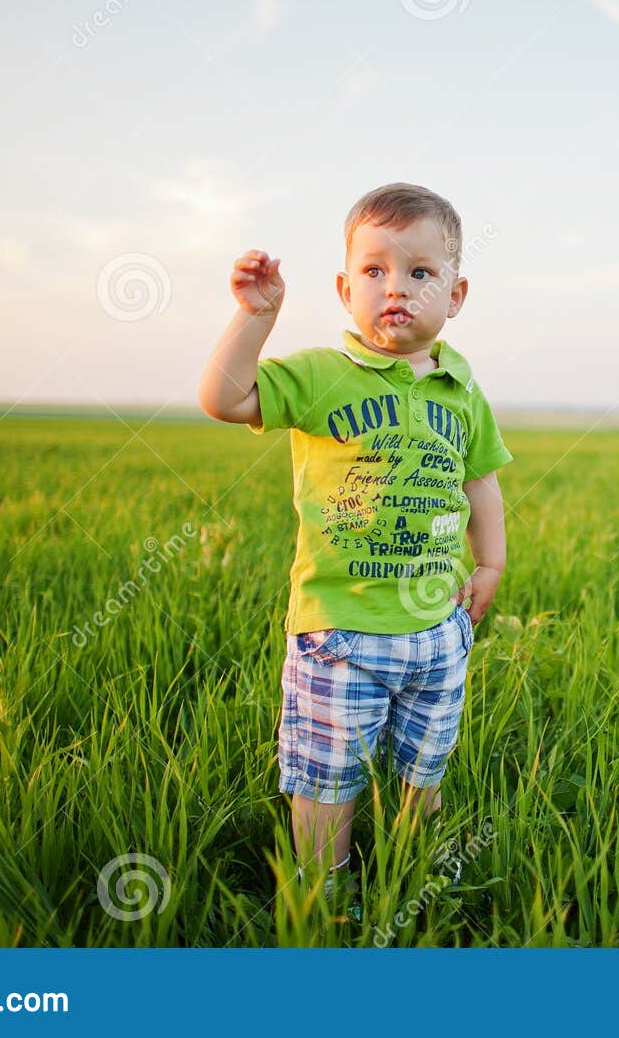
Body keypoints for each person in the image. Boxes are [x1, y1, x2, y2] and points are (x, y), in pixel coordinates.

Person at [198, 182, 512, 907]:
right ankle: (321, 891)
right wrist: (255, 318)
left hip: (438, 633)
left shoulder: (463, 391)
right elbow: (223, 398)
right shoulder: (319, 375)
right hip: (340, 631)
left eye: (420, 272)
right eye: (374, 270)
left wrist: (490, 560)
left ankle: (409, 868)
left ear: (456, 294)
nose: (395, 286)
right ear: (344, 288)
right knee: (327, 779)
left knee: (423, 768)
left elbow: (482, 485)